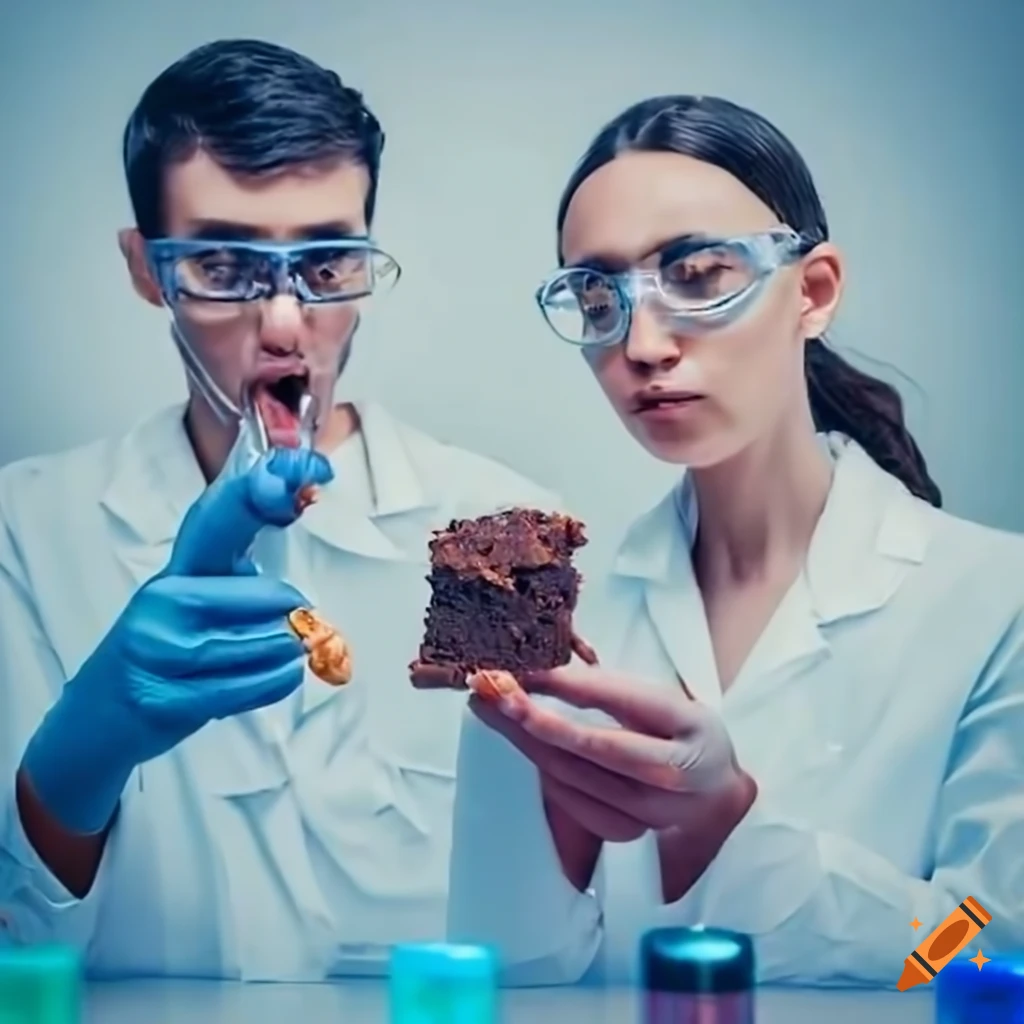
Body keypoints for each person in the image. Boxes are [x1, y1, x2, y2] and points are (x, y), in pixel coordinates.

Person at [0, 39, 559, 980]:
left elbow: (551, 951)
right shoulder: (27, 529)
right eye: (222, 263)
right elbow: (25, 959)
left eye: (330, 263)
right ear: (146, 269)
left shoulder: (502, 529)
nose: (288, 323)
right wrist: (72, 770)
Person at [444, 95, 1024, 986]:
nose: (640, 342)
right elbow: (504, 976)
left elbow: (989, 950)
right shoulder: (556, 618)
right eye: (597, 296)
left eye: (701, 273)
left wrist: (729, 832)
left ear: (814, 291)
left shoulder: (996, 599)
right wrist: (533, 800)